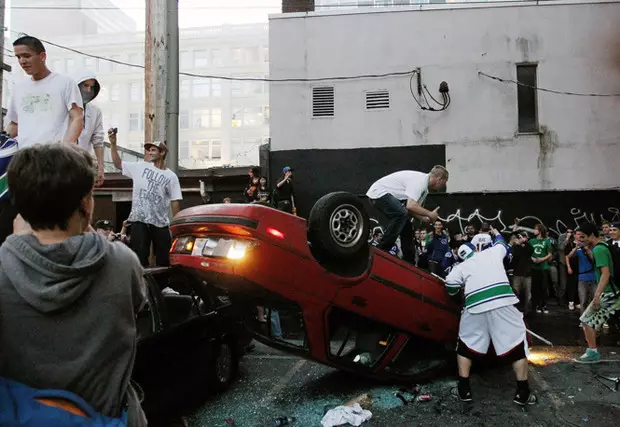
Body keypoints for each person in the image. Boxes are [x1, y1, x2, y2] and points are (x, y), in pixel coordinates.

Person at [0, 144, 147, 425]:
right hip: (106, 418)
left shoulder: (3, 267)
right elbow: (137, 304)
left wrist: (17, 242)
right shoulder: (122, 263)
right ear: (86, 202)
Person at [1, 36, 84, 245]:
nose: (22, 61)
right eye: (18, 57)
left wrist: (65, 149)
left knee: (53, 219)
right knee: (15, 218)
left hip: (53, 163)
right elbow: (13, 126)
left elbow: (77, 117)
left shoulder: (64, 83)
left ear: (42, 56)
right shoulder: (19, 88)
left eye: (27, 56)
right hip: (23, 163)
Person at [445, 228, 536, 406]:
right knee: (517, 344)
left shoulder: (463, 265)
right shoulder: (496, 251)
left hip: (475, 304)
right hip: (502, 302)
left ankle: (464, 390)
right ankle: (522, 393)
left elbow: (450, 283)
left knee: (466, 344)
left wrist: (457, 298)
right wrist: (497, 232)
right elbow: (502, 242)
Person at [109, 130, 182, 267]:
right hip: (139, 219)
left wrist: (175, 226)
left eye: (153, 150)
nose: (149, 152)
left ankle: (163, 286)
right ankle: (142, 286)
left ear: (162, 153)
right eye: (148, 150)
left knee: (163, 257)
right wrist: (113, 144)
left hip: (160, 222)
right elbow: (118, 164)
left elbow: (175, 201)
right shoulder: (140, 167)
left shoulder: (171, 177)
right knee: (140, 255)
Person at [366, 166, 449, 260]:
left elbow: (409, 209)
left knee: (407, 225)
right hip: (378, 192)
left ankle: (409, 259)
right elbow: (411, 205)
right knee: (401, 214)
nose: (444, 186)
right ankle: (383, 249)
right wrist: (430, 214)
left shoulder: (425, 190)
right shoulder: (420, 182)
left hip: (390, 197)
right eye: (444, 182)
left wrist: (422, 218)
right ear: (439, 180)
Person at [575, 222, 620, 363]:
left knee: (586, 320)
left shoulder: (599, 250)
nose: (580, 240)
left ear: (592, 235)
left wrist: (596, 295)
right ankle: (592, 351)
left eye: (583, 237)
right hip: (613, 291)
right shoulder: (603, 246)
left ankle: (593, 352)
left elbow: (605, 275)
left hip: (609, 293)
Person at [74, 69, 105, 186]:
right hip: (64, 164)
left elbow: (98, 140)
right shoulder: (63, 108)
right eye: (85, 85)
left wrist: (101, 167)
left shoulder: (95, 111)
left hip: (85, 166)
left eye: (91, 87)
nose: (88, 90)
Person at [529, 223, 553, 314]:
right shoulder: (531, 241)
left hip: (544, 267)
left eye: (535, 229)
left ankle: (544, 305)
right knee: (535, 288)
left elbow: (550, 254)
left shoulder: (546, 241)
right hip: (534, 267)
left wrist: (542, 259)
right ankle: (536, 305)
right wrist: (533, 259)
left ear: (540, 231)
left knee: (543, 287)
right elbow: (528, 253)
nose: (534, 231)